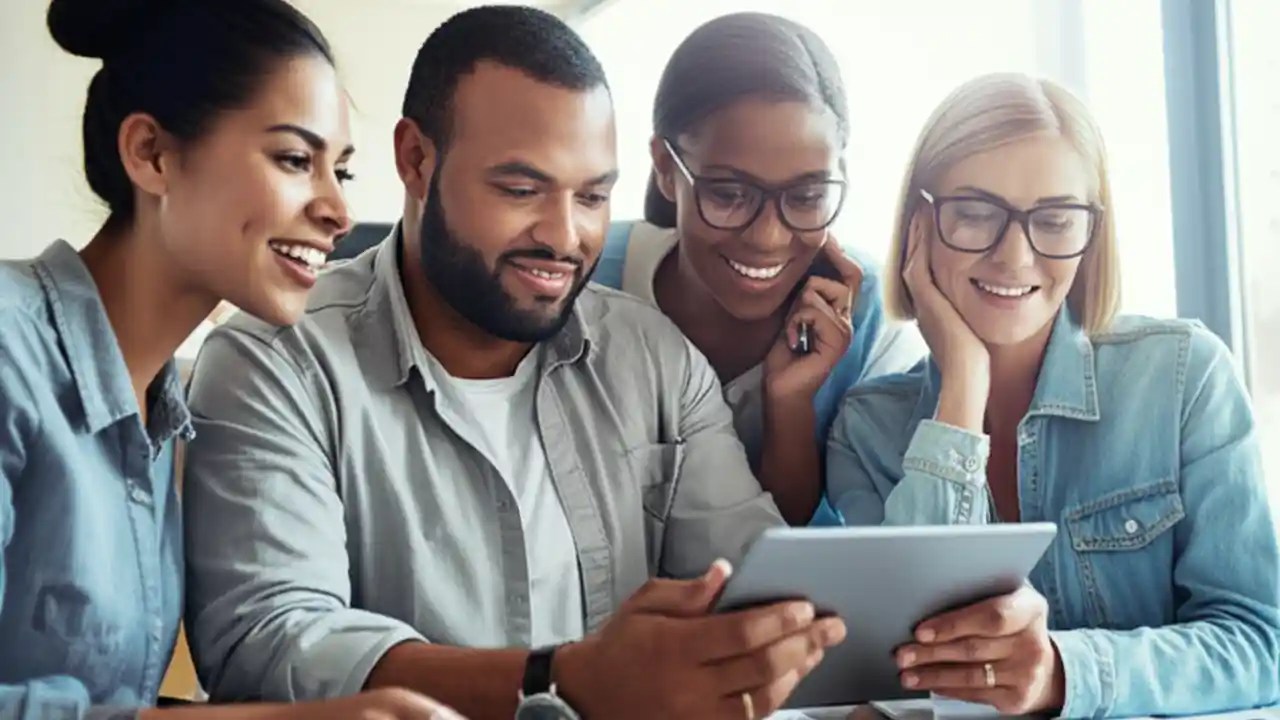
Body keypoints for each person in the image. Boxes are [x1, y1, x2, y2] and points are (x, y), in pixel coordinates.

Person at [181, 6, 845, 720]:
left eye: (592, 196)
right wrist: (561, 680)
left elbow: (761, 596)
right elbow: (269, 644)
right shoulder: (275, 360)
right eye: (521, 190)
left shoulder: (656, 360)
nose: (564, 236)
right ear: (416, 160)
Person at [0, 1, 462, 718]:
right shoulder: (11, 352)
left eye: (340, 171)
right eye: (294, 160)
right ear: (151, 154)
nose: (339, 212)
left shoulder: (159, 413)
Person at [827, 72, 1280, 718]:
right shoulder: (867, 431)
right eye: (976, 214)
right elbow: (908, 669)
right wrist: (963, 387)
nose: (1015, 257)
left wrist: (1062, 673)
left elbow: (1260, 643)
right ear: (919, 225)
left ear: (1091, 234)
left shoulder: (1184, 377)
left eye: (1056, 220)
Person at [594, 12, 925, 525]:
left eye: (807, 196)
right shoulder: (586, 281)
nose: (768, 237)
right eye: (729, 194)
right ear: (664, 168)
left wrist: (790, 407)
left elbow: (850, 547)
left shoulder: (868, 317)